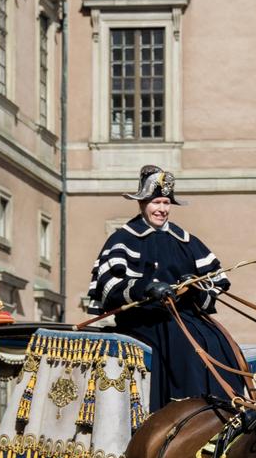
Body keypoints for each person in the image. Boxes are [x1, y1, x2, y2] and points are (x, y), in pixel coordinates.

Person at [83, 165, 243, 409]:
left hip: (187, 316)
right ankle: (186, 411)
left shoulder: (185, 239)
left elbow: (217, 280)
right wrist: (146, 289)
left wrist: (197, 286)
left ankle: (229, 411)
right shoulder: (123, 239)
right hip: (144, 320)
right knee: (185, 344)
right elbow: (109, 286)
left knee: (219, 339)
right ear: (142, 203)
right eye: (156, 202)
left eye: (166, 203)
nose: (162, 209)